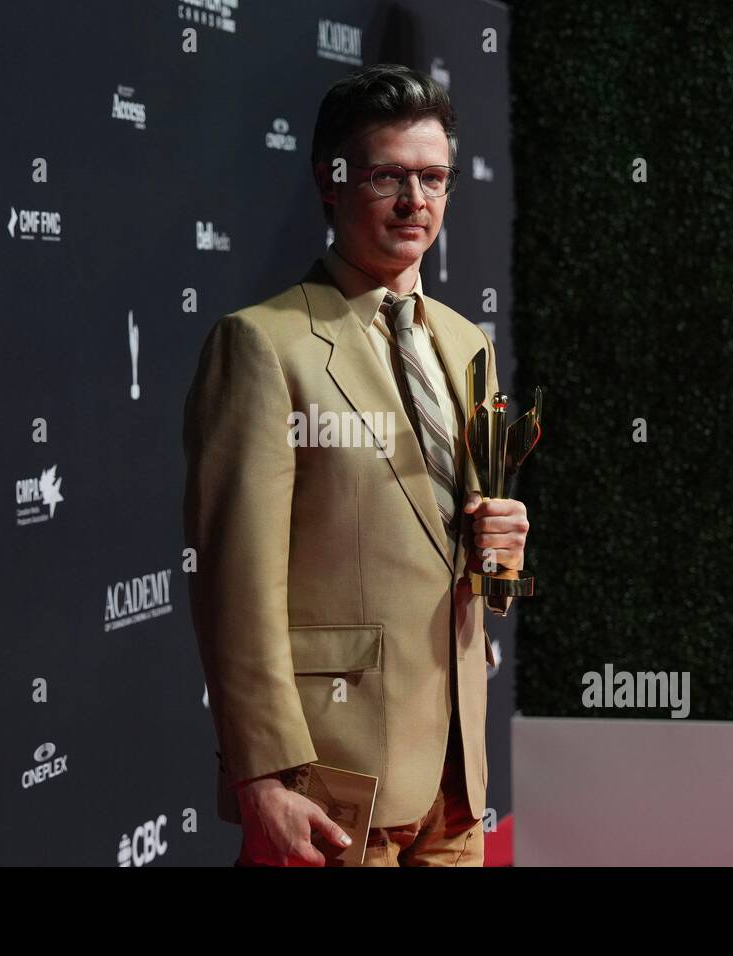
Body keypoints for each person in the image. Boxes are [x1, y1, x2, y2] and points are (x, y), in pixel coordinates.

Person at [183, 63, 528, 867]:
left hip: (455, 779)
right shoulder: (263, 344)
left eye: (434, 178)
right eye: (388, 177)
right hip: (332, 785)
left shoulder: (467, 342)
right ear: (330, 184)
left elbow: (447, 543)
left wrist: (501, 546)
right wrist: (261, 776)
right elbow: (233, 585)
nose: (417, 202)